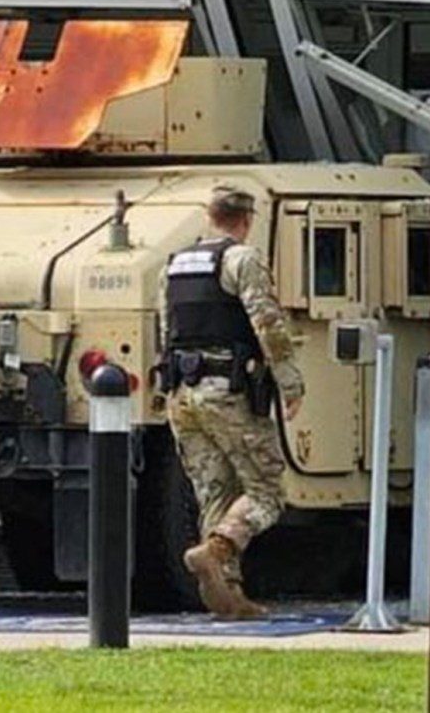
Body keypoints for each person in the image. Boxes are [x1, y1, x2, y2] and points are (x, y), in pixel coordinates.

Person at [156, 184, 305, 619]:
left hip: (182, 394)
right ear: (246, 220)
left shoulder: (176, 265)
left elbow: (167, 330)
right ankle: (218, 551)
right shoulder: (241, 259)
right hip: (226, 391)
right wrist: (289, 384)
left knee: (216, 493)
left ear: (210, 216)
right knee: (267, 491)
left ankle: (226, 596)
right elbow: (268, 325)